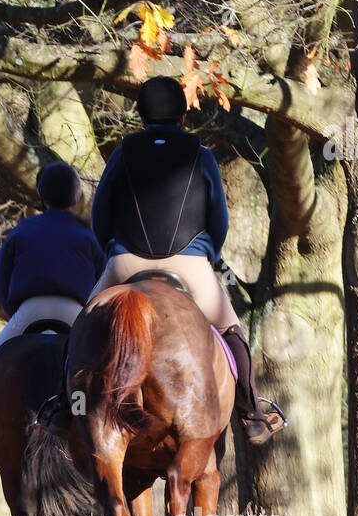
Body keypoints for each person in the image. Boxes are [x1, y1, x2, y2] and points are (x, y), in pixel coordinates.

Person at [90, 75, 285, 445]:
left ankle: (61, 406)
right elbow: (219, 219)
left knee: (80, 327)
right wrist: (206, 254)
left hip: (125, 263)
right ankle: (251, 415)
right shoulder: (202, 154)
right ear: (183, 115)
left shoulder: (121, 153)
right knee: (231, 332)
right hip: (189, 262)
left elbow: (100, 215)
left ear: (141, 116)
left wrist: (112, 253)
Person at [0, 163, 105, 471]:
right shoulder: (88, 237)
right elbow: (100, 282)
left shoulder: (20, 231)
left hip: (30, 310)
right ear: (75, 197)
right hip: (75, 312)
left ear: (41, 196)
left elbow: (2, 283)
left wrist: (13, 311)